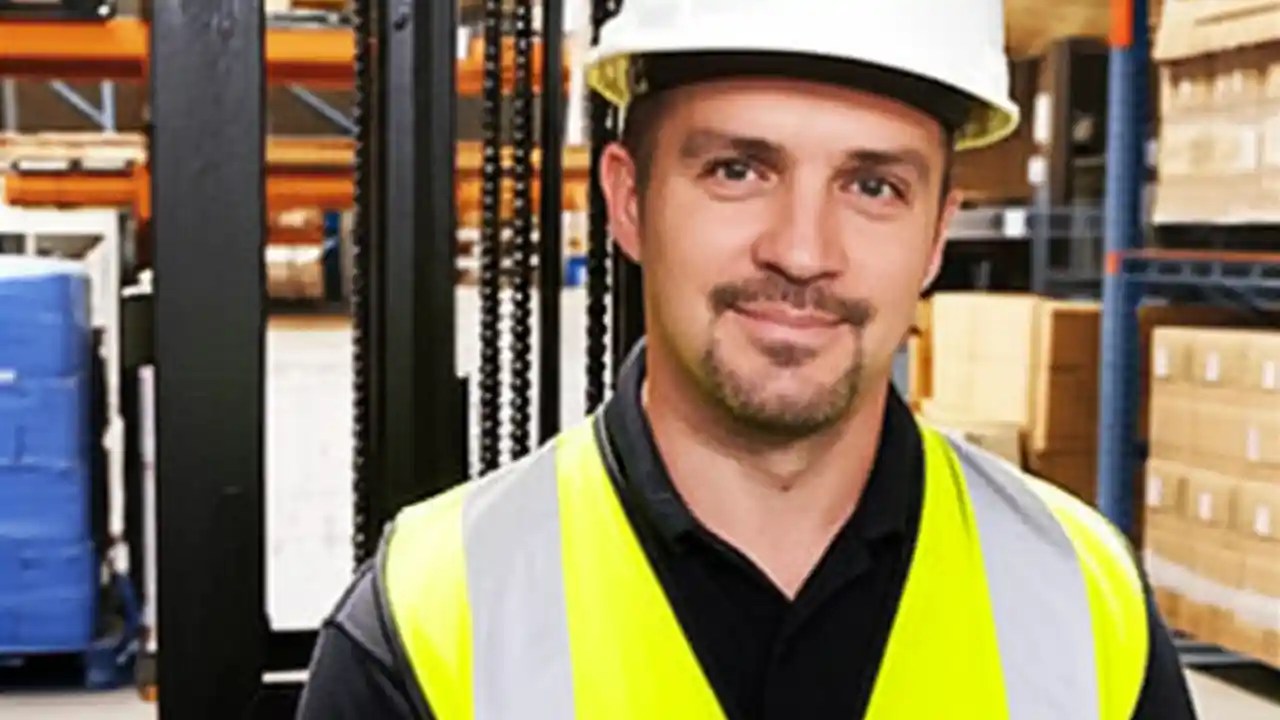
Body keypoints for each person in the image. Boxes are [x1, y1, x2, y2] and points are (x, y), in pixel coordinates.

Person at [297, 0, 1199, 717]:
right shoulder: (428, 620)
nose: (803, 251)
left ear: (934, 239)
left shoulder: (1086, 605)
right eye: (739, 170)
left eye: (873, 185)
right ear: (628, 200)